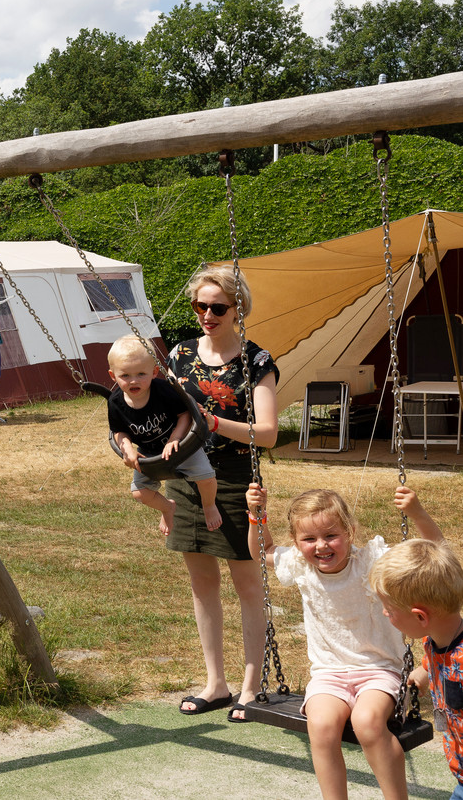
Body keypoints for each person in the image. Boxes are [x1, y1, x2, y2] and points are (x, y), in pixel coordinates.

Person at [248, 483, 443, 800]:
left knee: (367, 724)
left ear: (350, 531)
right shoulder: (299, 565)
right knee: (321, 726)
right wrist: (257, 516)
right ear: (297, 544)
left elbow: (434, 549)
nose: (320, 546)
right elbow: (260, 550)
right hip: (329, 673)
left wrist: (415, 512)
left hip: (379, 670)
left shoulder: (372, 561)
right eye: (309, 539)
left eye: (330, 535)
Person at [167, 263, 279, 721]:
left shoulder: (256, 361)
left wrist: (214, 423)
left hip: (235, 480)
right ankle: (216, 682)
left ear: (238, 309)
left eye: (217, 307)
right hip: (186, 479)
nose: (207, 315)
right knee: (201, 584)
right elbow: (169, 420)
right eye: (200, 306)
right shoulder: (179, 354)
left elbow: (268, 433)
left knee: (247, 583)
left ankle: (251, 686)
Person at [371, 537, 463, 800]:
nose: (386, 614)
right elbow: (435, 658)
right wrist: (424, 671)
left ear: (420, 616)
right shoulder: (435, 639)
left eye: (389, 609)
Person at [105, 335, 219, 537]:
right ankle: (167, 507)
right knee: (139, 492)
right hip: (148, 453)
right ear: (113, 376)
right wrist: (128, 449)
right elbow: (118, 432)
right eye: (125, 375)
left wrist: (174, 439)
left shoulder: (163, 391)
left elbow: (184, 414)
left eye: (141, 373)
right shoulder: (115, 402)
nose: (134, 381)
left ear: (154, 372)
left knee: (207, 478)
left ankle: (208, 505)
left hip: (183, 444)